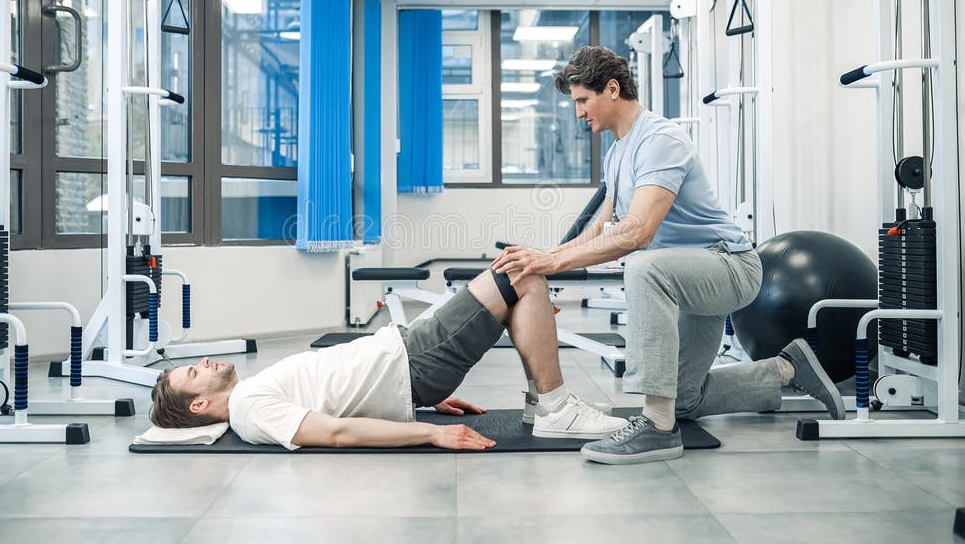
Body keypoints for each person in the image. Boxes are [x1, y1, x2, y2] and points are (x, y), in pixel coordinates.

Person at [492, 45, 845, 465]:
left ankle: (657, 428)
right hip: (684, 274)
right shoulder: (617, 152)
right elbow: (601, 229)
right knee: (684, 399)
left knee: (642, 267)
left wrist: (551, 262)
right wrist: (543, 256)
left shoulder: (660, 139)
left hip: (727, 266)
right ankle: (788, 368)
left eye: (582, 101)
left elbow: (638, 232)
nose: (579, 113)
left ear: (611, 89)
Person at [149, 268, 628, 450]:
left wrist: (416, 401)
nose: (206, 362)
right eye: (195, 373)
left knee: (522, 284)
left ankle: (541, 405)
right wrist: (428, 432)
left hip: (411, 361)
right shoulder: (250, 411)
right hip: (415, 359)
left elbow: (335, 395)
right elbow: (335, 433)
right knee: (524, 276)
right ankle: (557, 410)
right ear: (197, 407)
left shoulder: (250, 398)